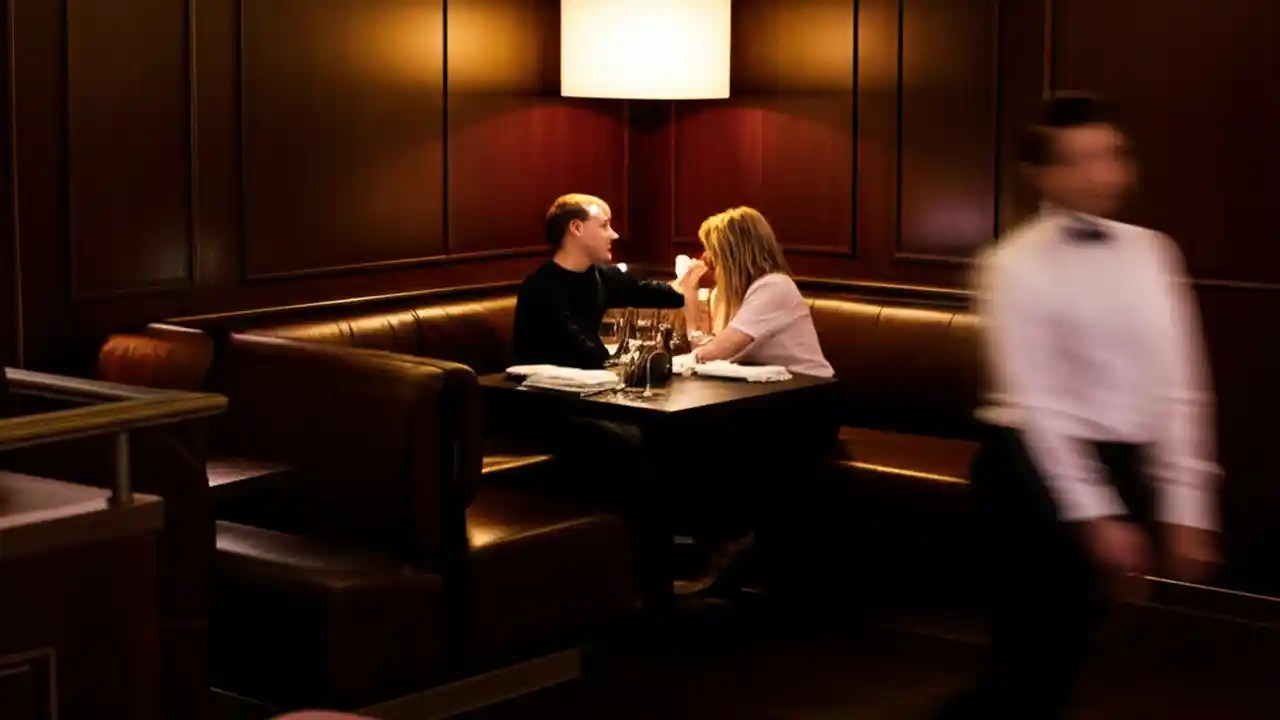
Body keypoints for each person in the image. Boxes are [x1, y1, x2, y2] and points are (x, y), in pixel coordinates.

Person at [935, 94, 1221, 719]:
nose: (1105, 174)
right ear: (1044, 173)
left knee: (1054, 661)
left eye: (1112, 155)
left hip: (1120, 468)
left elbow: (1181, 386)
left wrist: (1186, 501)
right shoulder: (1011, 263)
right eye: (1082, 159)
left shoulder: (1154, 251)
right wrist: (1096, 518)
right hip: (1027, 477)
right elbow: (1041, 405)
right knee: (1031, 663)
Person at [514, 193, 699, 368]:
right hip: (546, 393)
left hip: (592, 386)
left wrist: (690, 280)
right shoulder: (540, 288)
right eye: (604, 226)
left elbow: (655, 293)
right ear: (576, 228)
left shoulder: (601, 276)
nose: (614, 234)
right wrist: (619, 367)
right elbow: (575, 348)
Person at [684, 206, 834, 378]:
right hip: (764, 389)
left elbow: (718, 351)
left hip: (807, 388)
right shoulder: (727, 295)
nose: (706, 257)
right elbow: (705, 353)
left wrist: (677, 363)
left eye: (713, 250)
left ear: (734, 255)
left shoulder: (775, 287)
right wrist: (690, 296)